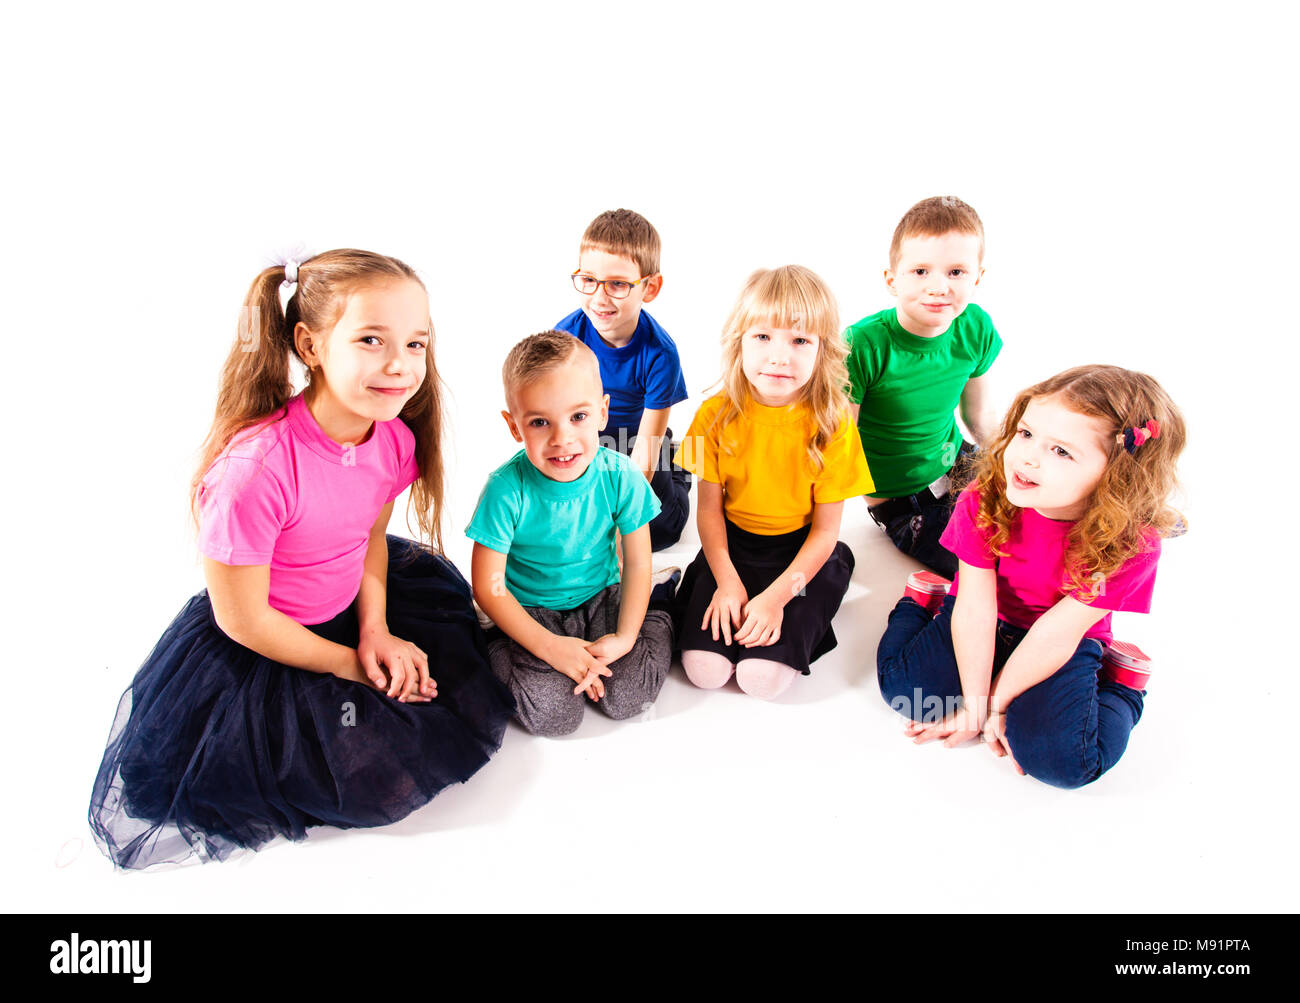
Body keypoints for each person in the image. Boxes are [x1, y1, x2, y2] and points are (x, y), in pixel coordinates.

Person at [88, 249, 515, 868]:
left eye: (416, 344)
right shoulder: (255, 471)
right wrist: (349, 665)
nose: (400, 365)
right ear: (310, 345)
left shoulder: (392, 439)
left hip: (350, 603)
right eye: (372, 339)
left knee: (445, 692)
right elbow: (244, 621)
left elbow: (369, 539)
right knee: (363, 778)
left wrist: (377, 630)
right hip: (264, 644)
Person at [876, 365, 1187, 788]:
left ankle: (1124, 688)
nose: (1027, 456)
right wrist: (974, 704)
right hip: (985, 613)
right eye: (1025, 434)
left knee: (1063, 764)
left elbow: (1054, 636)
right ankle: (919, 603)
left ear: (1116, 474)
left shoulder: (1132, 541)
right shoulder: (984, 500)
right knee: (910, 696)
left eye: (1061, 451)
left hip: (1062, 637)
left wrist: (995, 707)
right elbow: (976, 607)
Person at [673, 265, 873, 700]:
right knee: (704, 671)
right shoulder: (713, 415)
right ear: (738, 342)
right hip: (730, 545)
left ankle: (831, 576)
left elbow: (824, 530)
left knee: (761, 679)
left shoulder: (834, 423)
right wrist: (727, 581)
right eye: (762, 337)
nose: (780, 356)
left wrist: (778, 597)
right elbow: (708, 511)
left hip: (800, 554)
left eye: (800, 340)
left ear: (823, 351)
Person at [468, 332, 677, 737]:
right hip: (530, 608)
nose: (562, 438)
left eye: (578, 417)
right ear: (514, 426)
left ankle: (660, 608)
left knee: (629, 697)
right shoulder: (506, 489)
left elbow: (636, 562)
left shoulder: (620, 475)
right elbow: (487, 586)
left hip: (602, 595)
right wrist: (549, 647)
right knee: (555, 717)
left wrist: (624, 637)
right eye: (540, 422)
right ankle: (498, 645)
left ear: (602, 413)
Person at [845, 196, 1002, 577]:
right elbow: (839, 440)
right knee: (983, 570)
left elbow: (978, 415)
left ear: (977, 277)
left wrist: (1005, 464)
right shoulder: (863, 345)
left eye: (956, 272)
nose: (938, 287)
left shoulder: (974, 326)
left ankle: (1128, 519)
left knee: (1046, 510)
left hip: (958, 459)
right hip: (904, 498)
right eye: (920, 271)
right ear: (891, 279)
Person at [553, 208, 691, 551]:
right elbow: (554, 421)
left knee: (657, 532)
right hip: (591, 441)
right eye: (588, 280)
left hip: (638, 441)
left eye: (617, 284)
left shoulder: (660, 354)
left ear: (650, 288)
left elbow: (641, 461)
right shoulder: (566, 339)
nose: (600, 297)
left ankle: (679, 471)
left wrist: (616, 533)